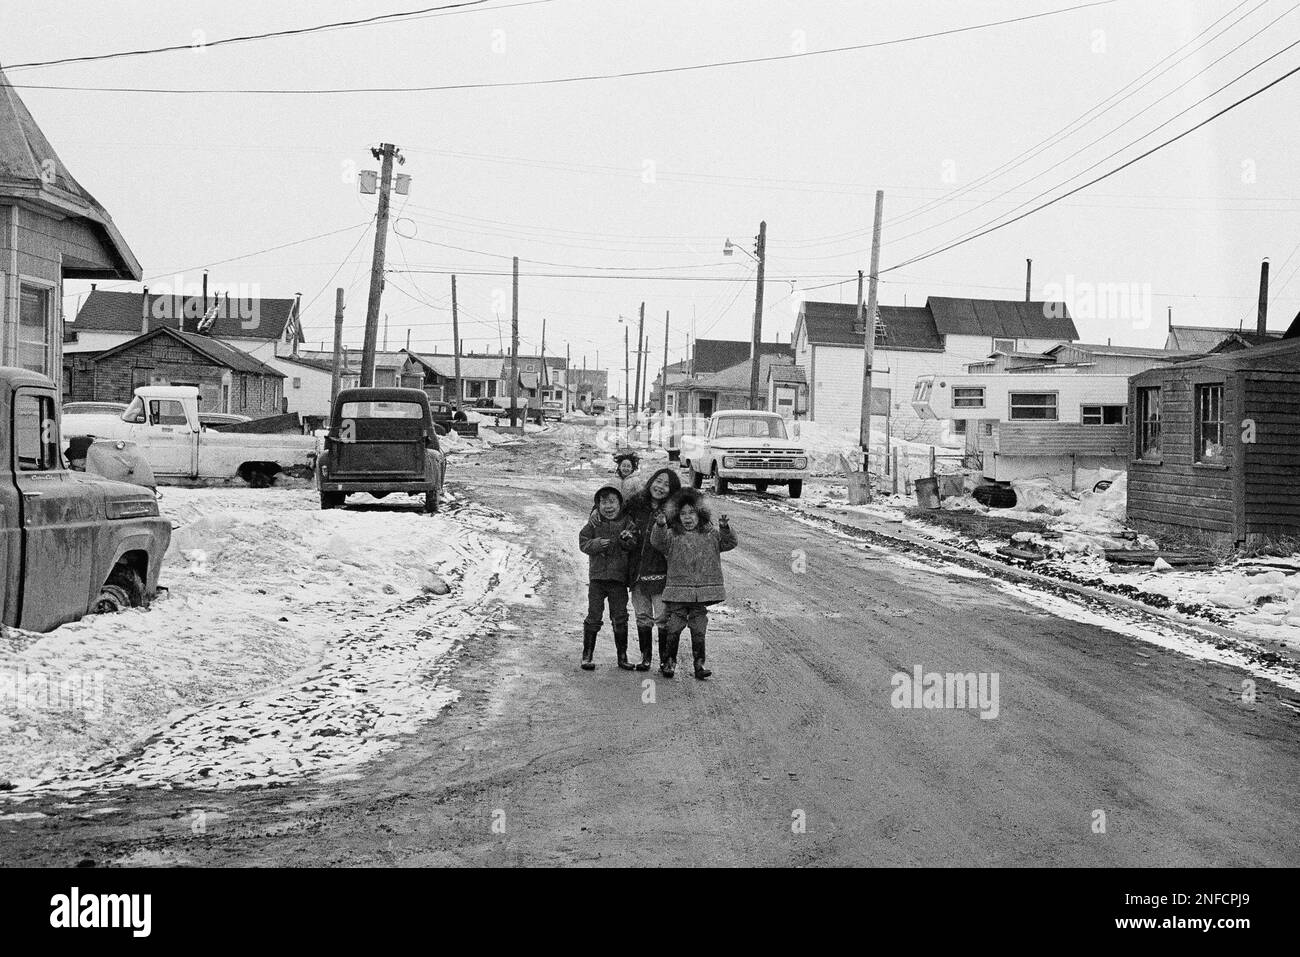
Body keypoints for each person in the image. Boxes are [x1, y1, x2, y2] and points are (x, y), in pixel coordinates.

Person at [650, 488, 737, 680]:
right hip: (678, 592)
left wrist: (724, 528)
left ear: (701, 514)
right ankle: (669, 662)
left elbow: (730, 543)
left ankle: (699, 664)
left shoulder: (711, 534)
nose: (687, 518)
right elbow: (658, 542)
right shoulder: (672, 535)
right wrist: (660, 524)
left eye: (692, 513)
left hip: (701, 594)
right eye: (683, 514)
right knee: (674, 627)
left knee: (699, 629)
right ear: (676, 516)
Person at [623, 467, 683, 671]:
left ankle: (667, 661)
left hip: (661, 573)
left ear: (672, 490)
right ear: (651, 482)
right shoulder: (635, 505)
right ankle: (646, 658)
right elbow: (615, 517)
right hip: (637, 571)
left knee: (662, 618)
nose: (660, 487)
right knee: (642, 616)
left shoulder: (674, 513)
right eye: (658, 481)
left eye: (667, 484)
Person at [578, 485, 639, 671]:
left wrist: (626, 539)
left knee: (620, 617)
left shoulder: (628, 522)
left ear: (620, 504)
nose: (608, 506)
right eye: (603, 502)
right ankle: (587, 656)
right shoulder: (594, 522)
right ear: (597, 505)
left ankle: (622, 657)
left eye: (612, 502)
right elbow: (583, 542)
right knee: (593, 616)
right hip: (597, 580)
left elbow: (633, 543)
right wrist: (595, 544)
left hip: (618, 580)